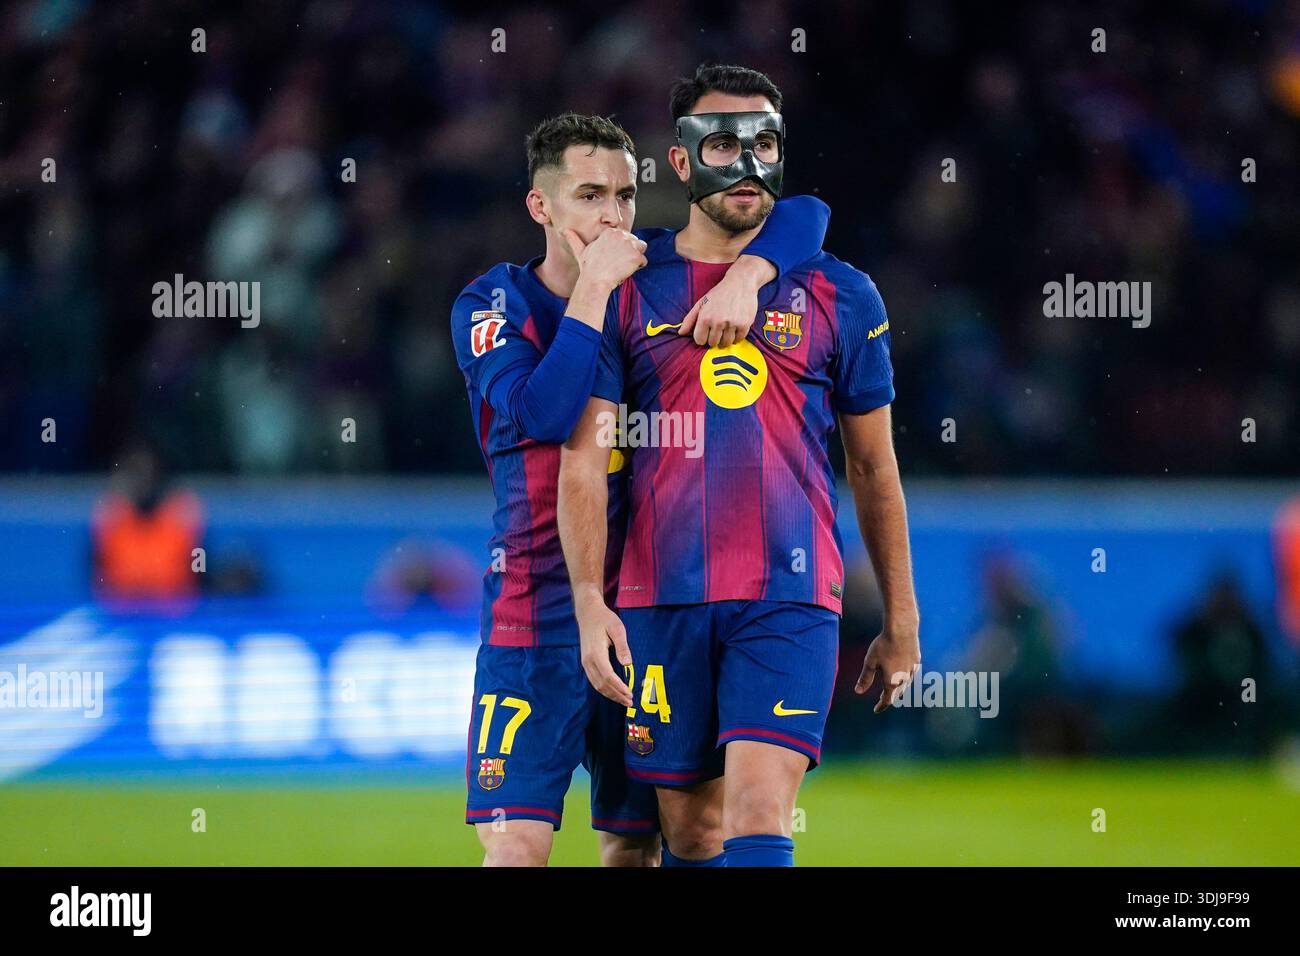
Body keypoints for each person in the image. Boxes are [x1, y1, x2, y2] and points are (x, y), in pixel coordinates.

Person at [558, 64, 920, 867]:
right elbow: (585, 458)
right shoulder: (625, 288)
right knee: (690, 832)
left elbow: (873, 465)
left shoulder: (841, 292)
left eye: (763, 143)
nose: (747, 163)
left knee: (759, 813)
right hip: (660, 595)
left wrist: (903, 615)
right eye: (722, 142)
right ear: (680, 163)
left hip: (788, 595)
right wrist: (589, 597)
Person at [450, 111, 829, 866]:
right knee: (516, 844)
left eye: (625, 196)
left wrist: (752, 273)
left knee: (633, 845)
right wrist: (592, 291)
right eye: (589, 195)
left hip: (642, 618)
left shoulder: (650, 274)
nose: (613, 215)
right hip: (535, 614)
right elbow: (545, 414)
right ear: (541, 208)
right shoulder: (492, 306)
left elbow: (805, 217)